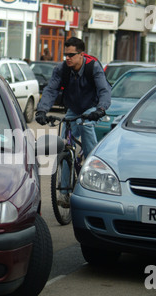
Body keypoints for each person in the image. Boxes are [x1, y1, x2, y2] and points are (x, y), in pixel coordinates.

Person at [35, 37, 111, 207]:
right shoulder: (62, 69)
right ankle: (64, 193)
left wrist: (101, 109)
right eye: (65, 55)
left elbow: (104, 90)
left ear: (81, 54)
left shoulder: (93, 67)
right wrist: (41, 110)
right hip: (73, 109)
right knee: (64, 146)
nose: (67, 58)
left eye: (71, 55)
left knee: (85, 124)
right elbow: (50, 90)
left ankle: (92, 161)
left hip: (92, 107)